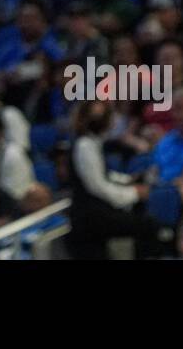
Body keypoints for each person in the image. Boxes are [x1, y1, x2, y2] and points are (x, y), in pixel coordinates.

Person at [66, 101, 164, 259]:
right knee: (148, 226)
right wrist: (133, 193)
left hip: (95, 212)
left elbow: (104, 174)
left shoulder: (93, 143)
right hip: (88, 217)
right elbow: (97, 186)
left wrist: (127, 180)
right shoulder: (85, 145)